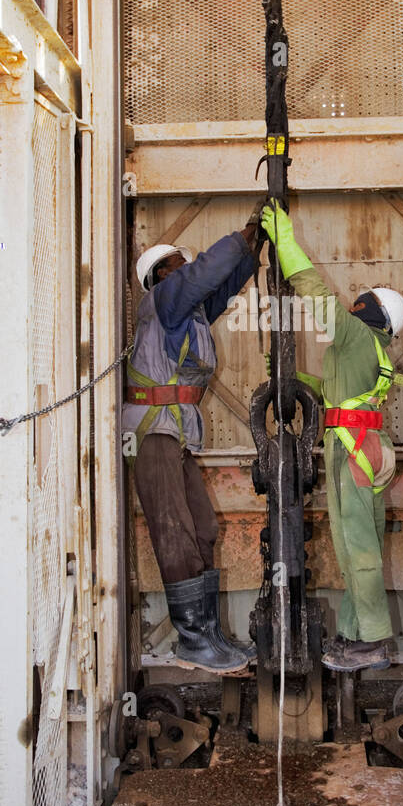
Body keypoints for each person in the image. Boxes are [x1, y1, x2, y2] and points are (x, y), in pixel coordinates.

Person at [260, 200, 403, 672]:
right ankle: (353, 635)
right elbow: (336, 394)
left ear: (373, 315)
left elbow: (314, 291)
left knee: (357, 547)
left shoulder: (355, 337)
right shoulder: (371, 350)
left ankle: (376, 641)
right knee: (357, 545)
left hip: (354, 452)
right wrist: (291, 377)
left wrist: (284, 241)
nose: (353, 306)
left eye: (362, 304)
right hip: (366, 447)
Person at [124, 212, 260, 673]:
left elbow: (224, 282)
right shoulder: (164, 300)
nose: (188, 266)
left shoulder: (189, 313)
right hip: (153, 433)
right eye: (179, 263)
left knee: (201, 528)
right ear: (162, 274)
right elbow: (205, 272)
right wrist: (240, 235)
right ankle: (192, 640)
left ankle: (209, 634)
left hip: (175, 431)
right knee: (175, 531)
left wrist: (255, 246)